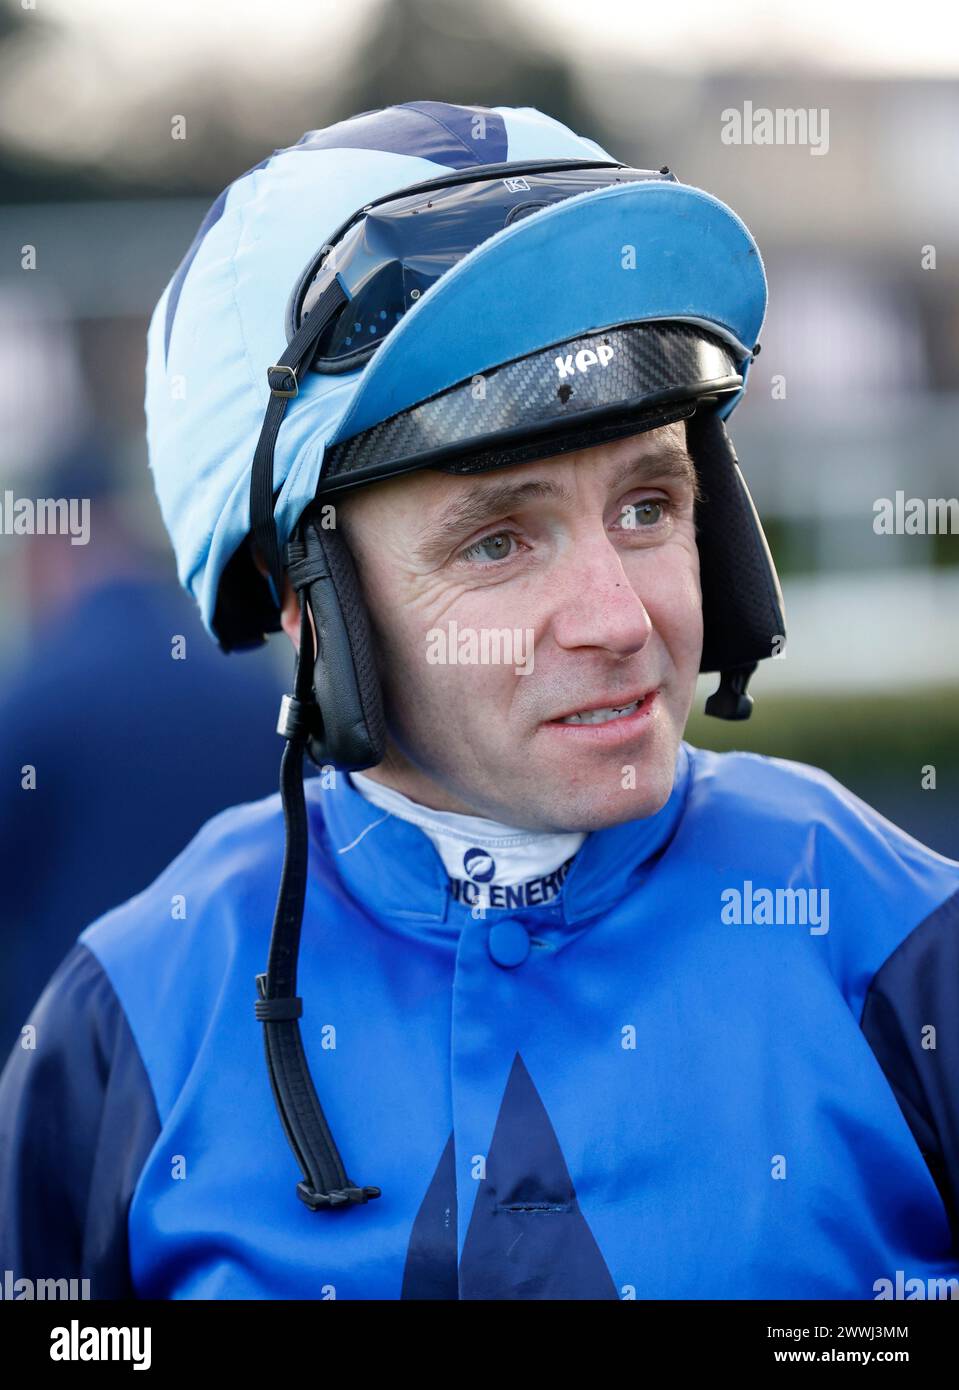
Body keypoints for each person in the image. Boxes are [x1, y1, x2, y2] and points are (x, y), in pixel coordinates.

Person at [1, 101, 956, 1302]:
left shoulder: (905, 943)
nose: (618, 617)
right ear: (298, 600)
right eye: (500, 541)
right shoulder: (124, 1020)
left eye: (647, 506)